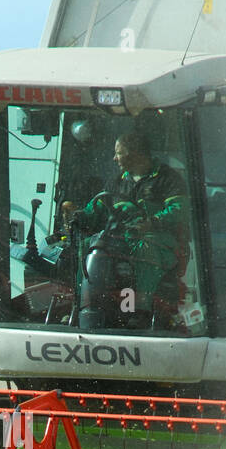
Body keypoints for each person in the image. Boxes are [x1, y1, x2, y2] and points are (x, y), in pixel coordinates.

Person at [61, 131, 189, 315]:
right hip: (121, 240)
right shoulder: (117, 182)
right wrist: (77, 216)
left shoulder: (168, 179)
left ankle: (140, 310)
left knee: (145, 247)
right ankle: (83, 306)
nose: (114, 158)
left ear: (136, 153)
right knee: (88, 246)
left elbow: (180, 210)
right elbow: (95, 210)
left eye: (119, 153)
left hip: (161, 241)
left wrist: (151, 222)